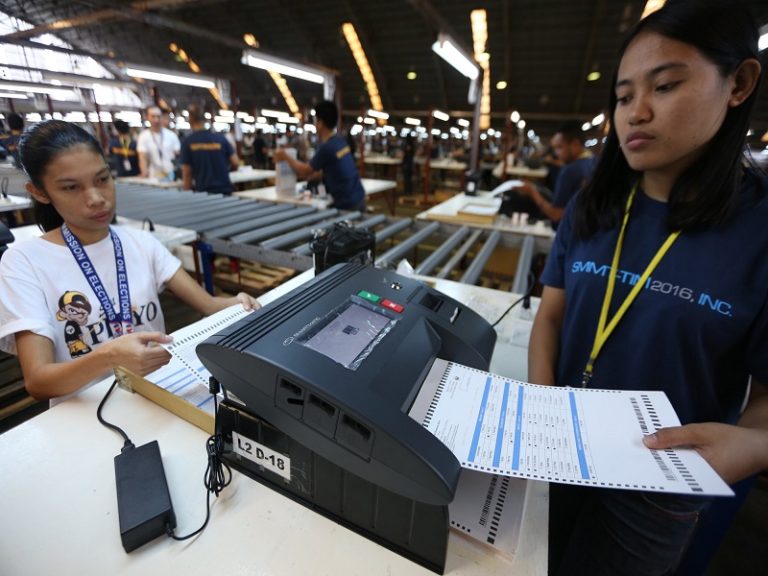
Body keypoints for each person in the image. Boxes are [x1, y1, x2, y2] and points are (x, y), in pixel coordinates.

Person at [527, 2, 766, 575]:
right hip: (559, 455)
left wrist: (750, 446)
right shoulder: (593, 206)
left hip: (656, 488)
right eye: (624, 95)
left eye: (665, 85)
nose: (637, 113)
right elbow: (551, 317)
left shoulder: (759, 232)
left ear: (738, 84)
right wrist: (540, 411)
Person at [0, 120, 259, 406]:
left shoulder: (140, 243)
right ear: (39, 192)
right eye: (71, 187)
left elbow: (208, 305)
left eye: (102, 179)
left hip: (160, 395)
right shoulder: (24, 262)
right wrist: (109, 357)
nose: (97, 199)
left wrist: (237, 303)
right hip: (86, 414)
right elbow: (38, 381)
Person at [273, 100, 365, 212]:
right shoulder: (340, 141)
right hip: (359, 197)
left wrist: (285, 156)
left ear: (320, 123)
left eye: (316, 121)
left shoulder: (327, 147)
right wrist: (320, 174)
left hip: (347, 204)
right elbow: (336, 168)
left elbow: (305, 171)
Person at [516, 121, 595, 227]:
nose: (556, 153)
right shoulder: (593, 162)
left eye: (559, 147)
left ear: (575, 144)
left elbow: (557, 216)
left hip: (567, 232)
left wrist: (531, 191)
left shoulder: (570, 171)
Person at [180, 104, 238, 195]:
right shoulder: (221, 139)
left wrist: (187, 197)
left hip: (204, 195)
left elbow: (187, 174)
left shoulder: (188, 143)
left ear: (190, 119)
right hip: (225, 191)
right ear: (204, 119)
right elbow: (235, 162)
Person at [137, 105, 180, 181]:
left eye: (158, 116)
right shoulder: (143, 136)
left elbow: (178, 155)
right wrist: (144, 172)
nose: (156, 120)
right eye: (153, 116)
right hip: (153, 178)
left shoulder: (171, 135)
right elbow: (142, 157)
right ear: (147, 117)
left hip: (171, 176)